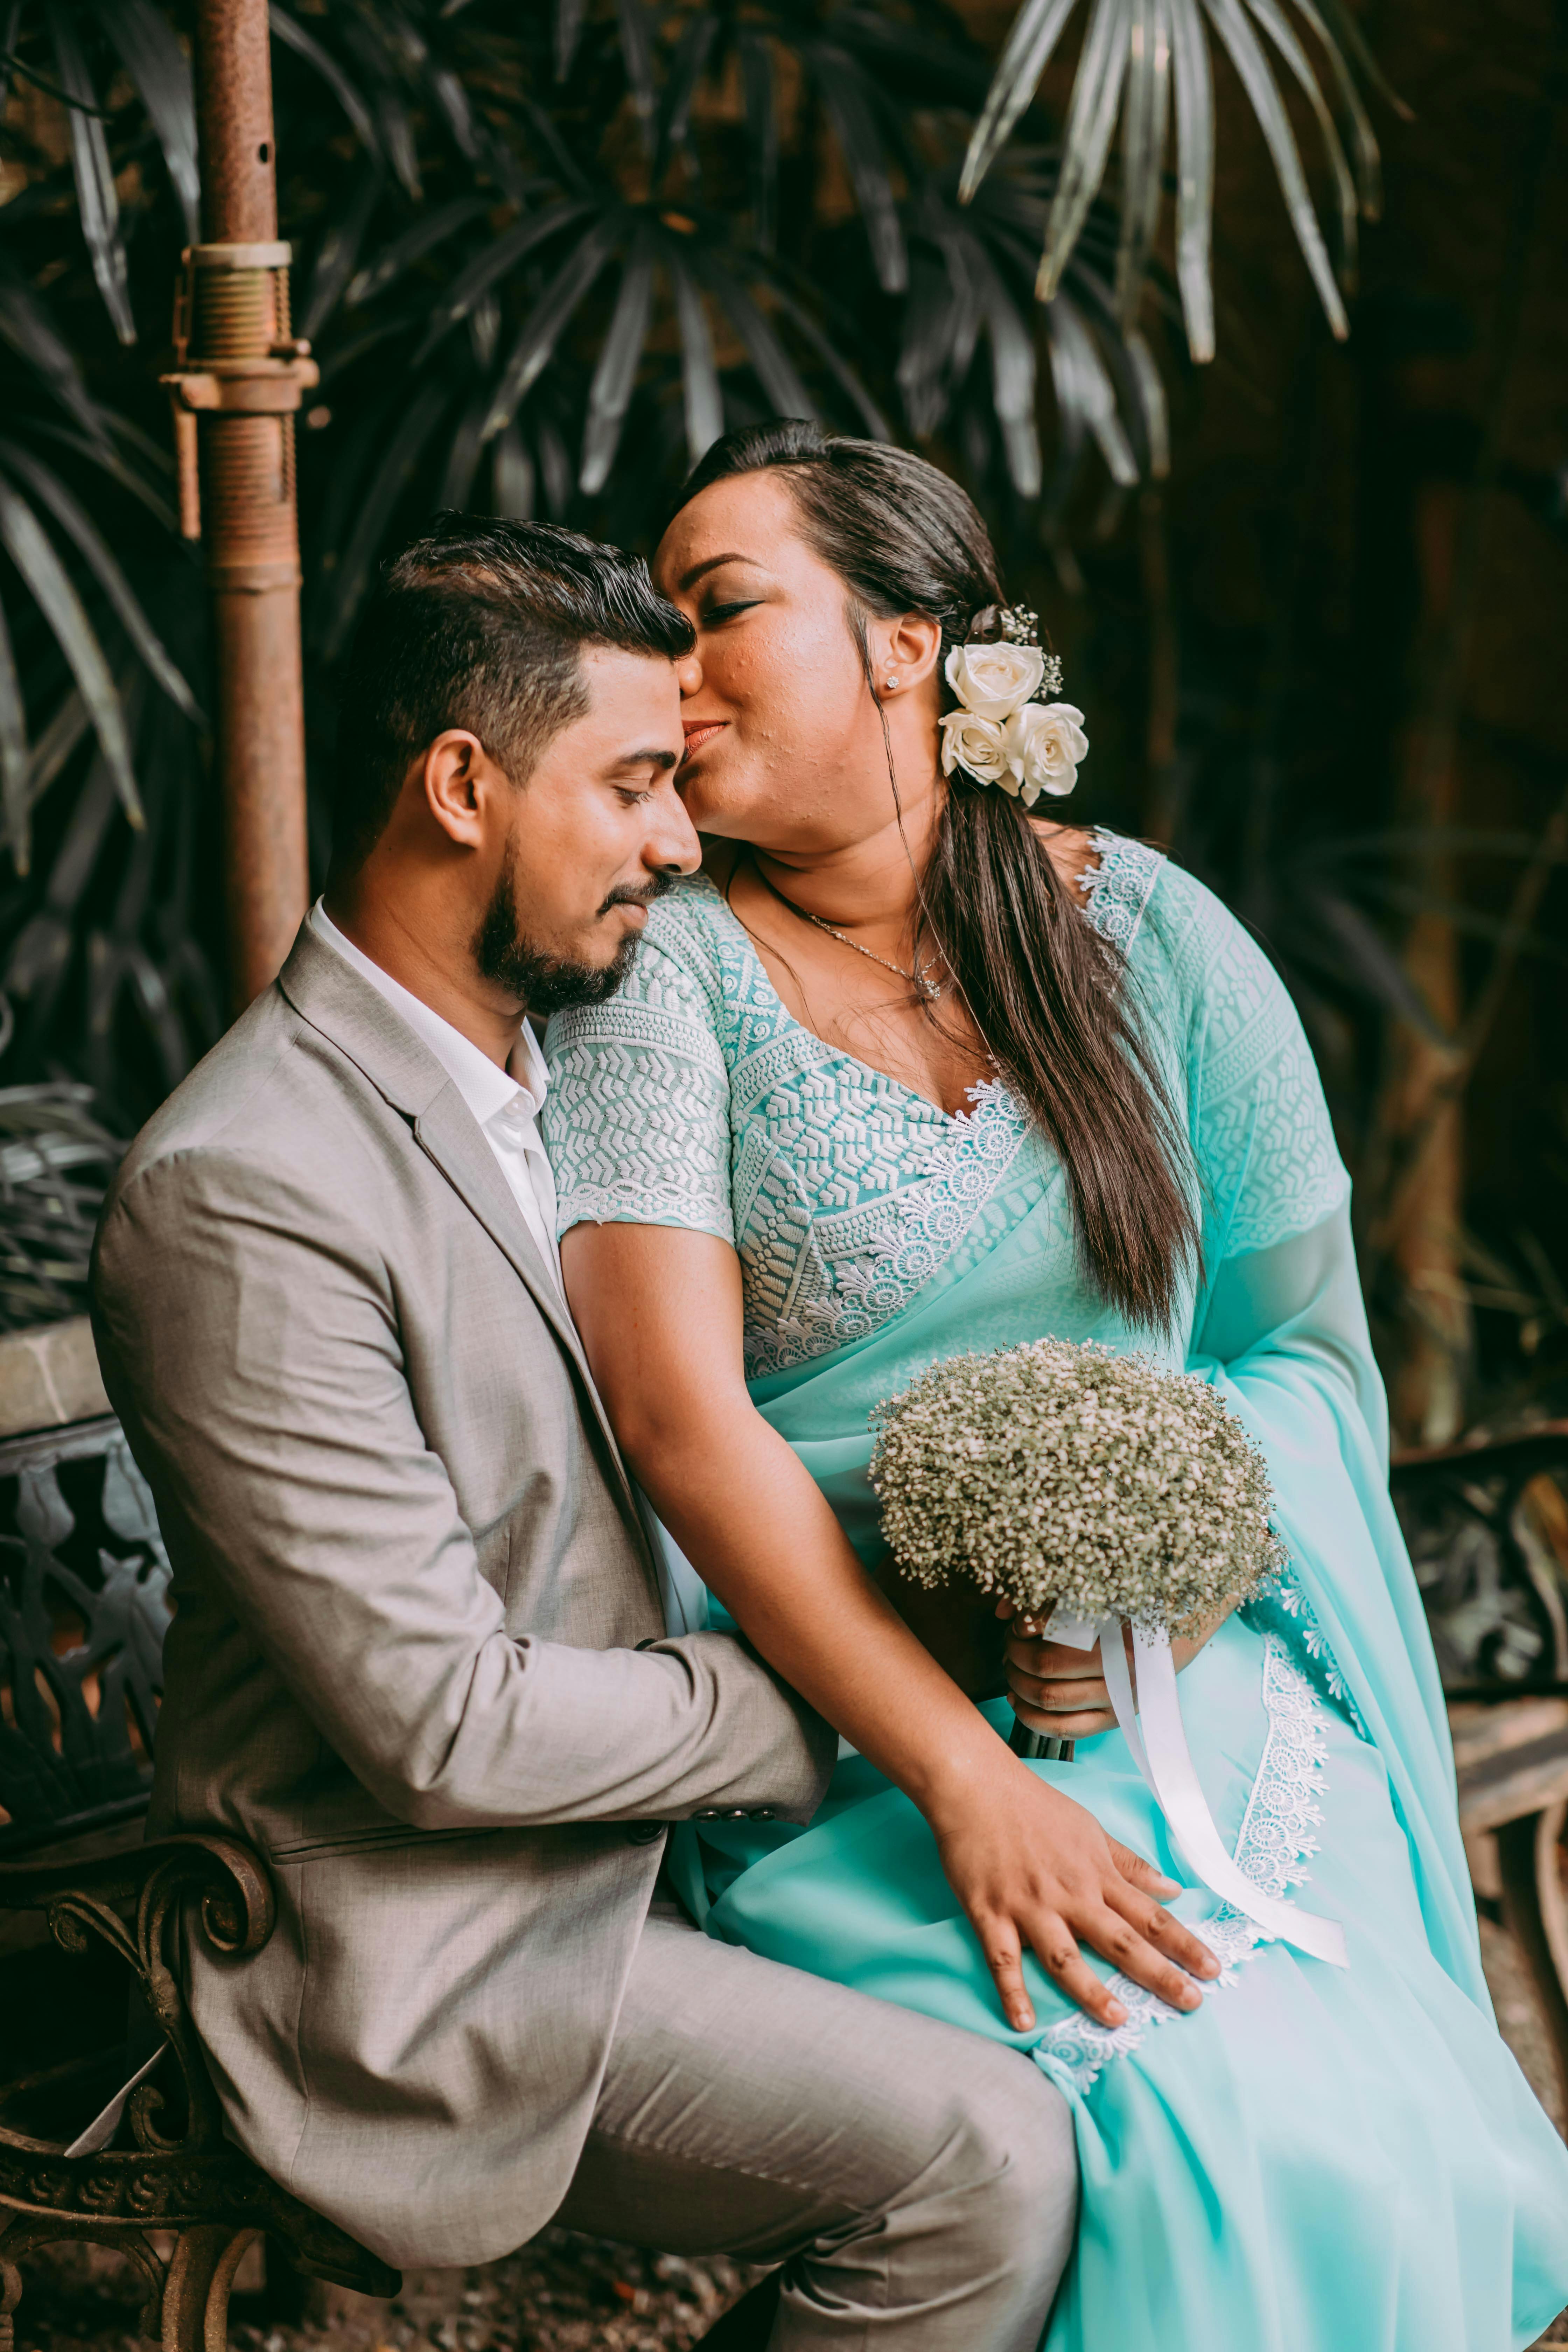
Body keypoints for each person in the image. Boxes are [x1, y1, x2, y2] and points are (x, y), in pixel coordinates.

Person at [542, 424, 1568, 2352]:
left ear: (909, 643)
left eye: (721, 611)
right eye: (650, 629)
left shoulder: (1159, 938)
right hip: (852, 1724)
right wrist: (966, 1767)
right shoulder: (658, 983)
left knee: (1353, 2125)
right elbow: (679, 1424)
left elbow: (1300, 1358)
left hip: (1205, 1688)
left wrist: (1133, 1538)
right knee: (1192, 2127)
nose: (667, 674)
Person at [90, 518, 1090, 2351]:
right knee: (990, 2158)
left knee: (1134, 2041)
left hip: (657, 1849)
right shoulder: (244, 1187)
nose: (679, 842)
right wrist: (848, 1697)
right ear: (464, 785)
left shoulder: (569, 1072)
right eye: (633, 785)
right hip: (432, 1946)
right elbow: (441, 1727)